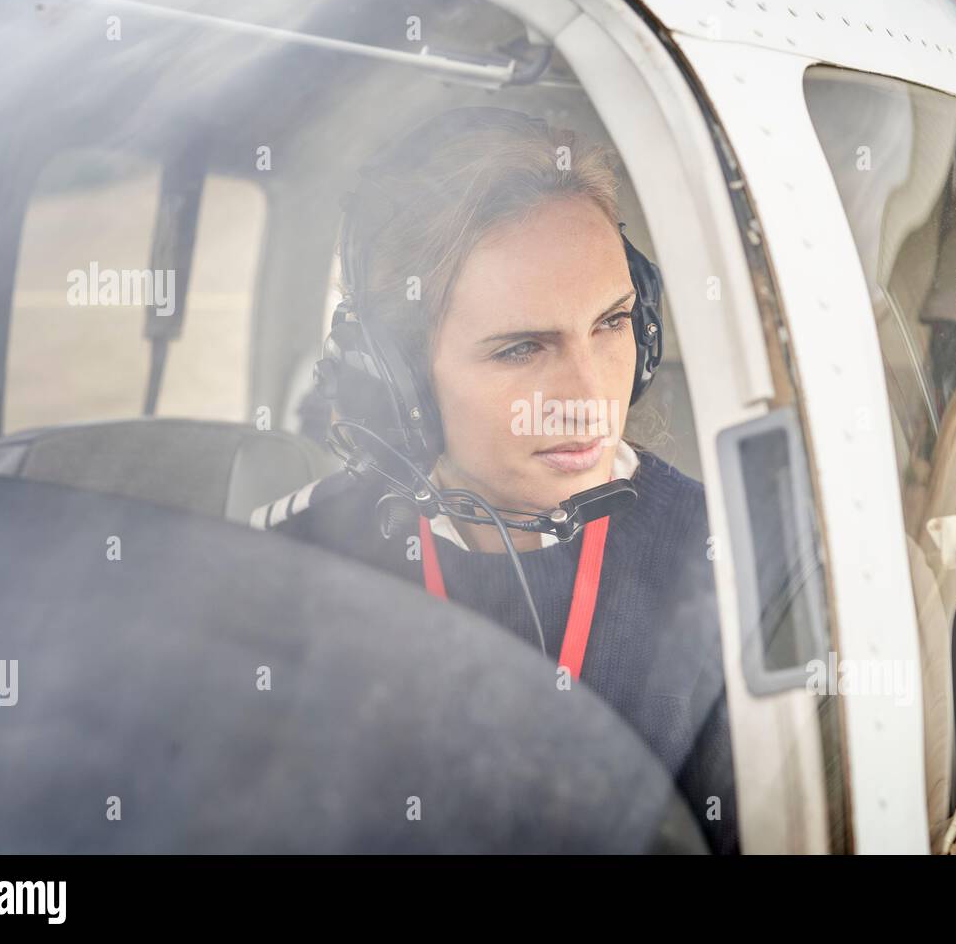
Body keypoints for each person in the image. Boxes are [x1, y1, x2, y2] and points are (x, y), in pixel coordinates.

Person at [272, 106, 737, 853]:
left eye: (612, 323)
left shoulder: (736, 565)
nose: (589, 399)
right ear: (401, 383)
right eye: (523, 348)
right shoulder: (292, 560)